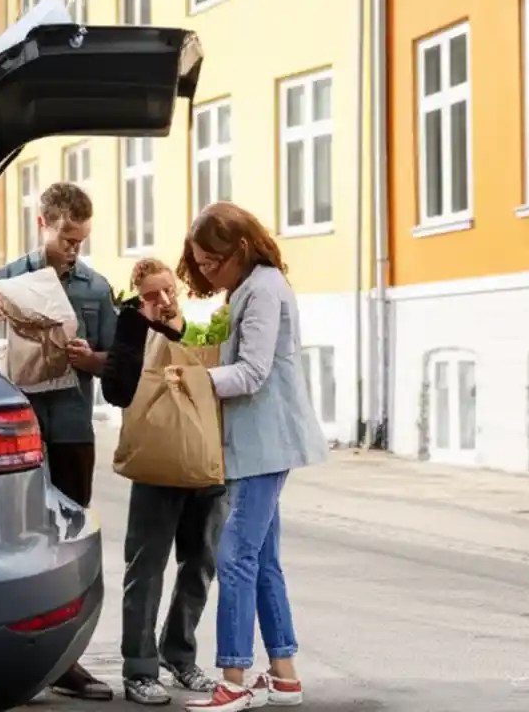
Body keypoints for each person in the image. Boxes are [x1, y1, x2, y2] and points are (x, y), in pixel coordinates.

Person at [175, 203, 328, 712]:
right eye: (199, 264)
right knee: (261, 559)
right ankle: (283, 674)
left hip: (266, 441)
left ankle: (234, 680)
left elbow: (252, 372)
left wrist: (196, 380)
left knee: (235, 558)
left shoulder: (262, 288)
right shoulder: (254, 285)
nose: (206, 272)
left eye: (212, 262)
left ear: (240, 249)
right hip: (263, 441)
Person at [0, 181, 117, 702]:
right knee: (20, 542)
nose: (74, 249)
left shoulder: (96, 288)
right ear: (44, 224)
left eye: (81, 240)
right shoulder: (7, 280)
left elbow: (113, 362)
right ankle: (16, 657)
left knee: (71, 542)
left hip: (74, 430)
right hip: (19, 434)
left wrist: (90, 360)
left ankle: (68, 662)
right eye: (67, 238)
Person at [101, 258, 227, 706]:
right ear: (139, 296)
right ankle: (139, 668)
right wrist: (140, 326)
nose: (165, 300)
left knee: (201, 562)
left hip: (204, 464)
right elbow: (116, 390)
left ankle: (180, 655)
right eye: (153, 294)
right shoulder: (132, 331)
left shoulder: (195, 334)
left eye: (169, 290)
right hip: (157, 466)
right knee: (146, 567)